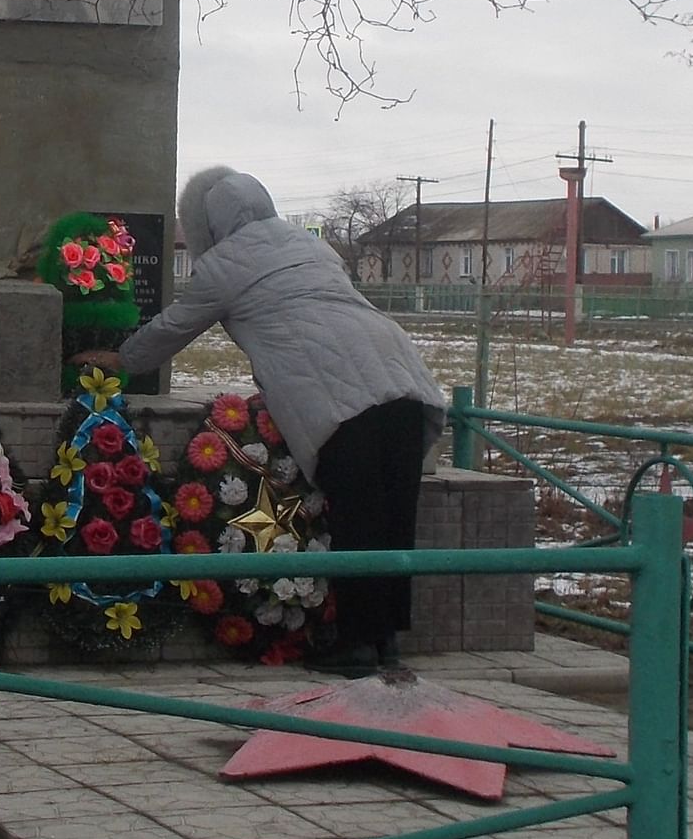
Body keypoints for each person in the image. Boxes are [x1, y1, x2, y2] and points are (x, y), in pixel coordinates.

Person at [73, 166, 449, 677]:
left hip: (339, 394)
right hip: (403, 380)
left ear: (208, 223)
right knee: (393, 520)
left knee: (358, 519)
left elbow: (172, 327)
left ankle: (358, 648)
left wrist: (121, 359)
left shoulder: (224, 264)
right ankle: (387, 644)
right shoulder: (313, 247)